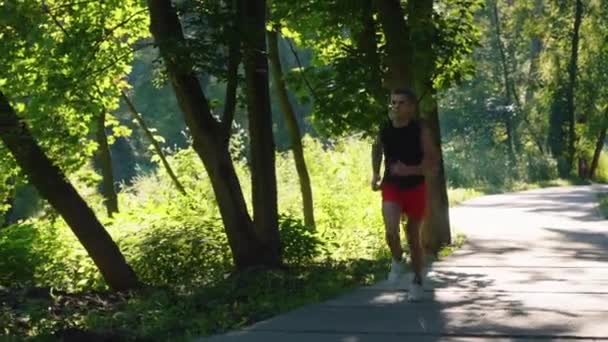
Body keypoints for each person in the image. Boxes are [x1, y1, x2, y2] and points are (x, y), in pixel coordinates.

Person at [371, 88, 439, 302]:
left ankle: (417, 280)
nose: (396, 107)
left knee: (412, 235)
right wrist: (376, 174)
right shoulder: (385, 128)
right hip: (392, 185)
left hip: (416, 187)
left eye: (401, 103)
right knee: (391, 232)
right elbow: (376, 148)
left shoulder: (420, 129)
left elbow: (433, 161)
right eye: (393, 102)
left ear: (411, 107)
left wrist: (410, 170)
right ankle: (397, 259)